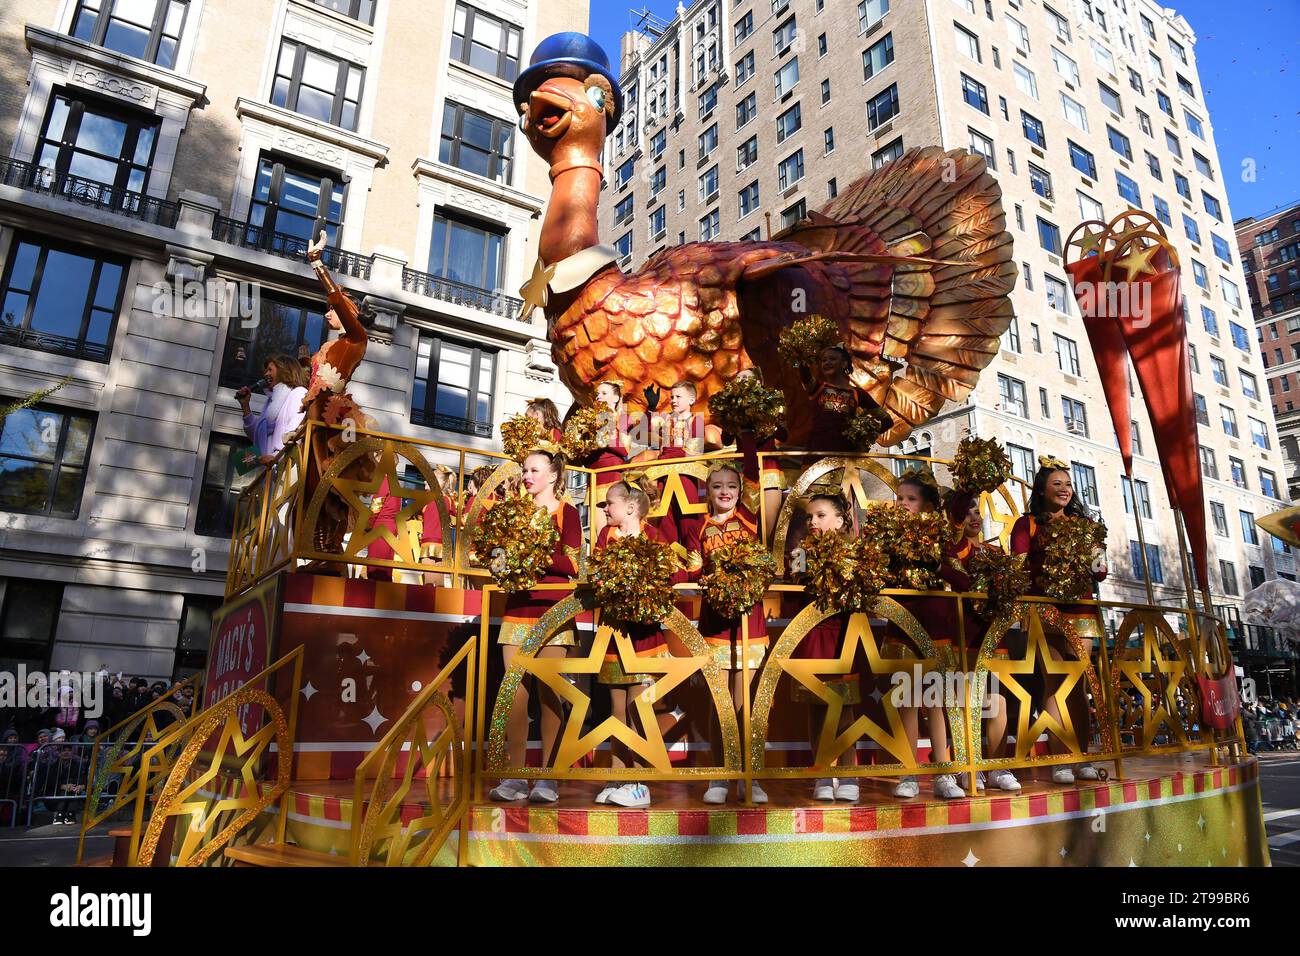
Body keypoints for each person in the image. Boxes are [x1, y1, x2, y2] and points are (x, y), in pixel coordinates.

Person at [489, 449, 582, 804]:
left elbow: (573, 564)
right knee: (513, 692)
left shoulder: (567, 513)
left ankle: (548, 777)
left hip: (553, 612)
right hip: (517, 609)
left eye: (535, 470)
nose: (527, 476)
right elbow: (496, 557)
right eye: (525, 470)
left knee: (548, 693)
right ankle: (512, 776)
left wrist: (533, 553)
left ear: (554, 476)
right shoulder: (514, 512)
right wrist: (501, 560)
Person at [681, 435, 768, 805]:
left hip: (750, 623)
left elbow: (753, 473)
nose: (725, 491)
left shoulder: (749, 518)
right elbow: (693, 570)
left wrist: (746, 429)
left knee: (746, 703)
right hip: (716, 624)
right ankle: (720, 776)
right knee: (721, 706)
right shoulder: (696, 528)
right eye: (717, 486)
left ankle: (751, 776)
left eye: (730, 486)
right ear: (707, 492)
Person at [1010, 457, 1109, 785]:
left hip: (1081, 612)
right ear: (1041, 489)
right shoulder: (1027, 525)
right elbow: (1019, 568)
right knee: (1054, 682)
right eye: (1057, 484)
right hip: (1045, 611)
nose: (1065, 489)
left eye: (1068, 484)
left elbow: (1101, 571)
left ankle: (1082, 757)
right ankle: (1061, 758)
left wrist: (1097, 559)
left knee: (1078, 686)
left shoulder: (1085, 526)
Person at [887, 468, 969, 800]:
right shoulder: (887, 534)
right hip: (902, 625)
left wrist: (934, 564)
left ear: (927, 505)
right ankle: (908, 773)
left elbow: (963, 581)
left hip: (935, 625)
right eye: (899, 498)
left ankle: (943, 772)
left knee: (936, 701)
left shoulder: (941, 535)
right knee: (906, 701)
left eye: (910, 499)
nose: (902, 504)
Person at [298, 230, 378, 566]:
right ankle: (314, 549)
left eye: (335, 310)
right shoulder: (332, 346)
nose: (327, 314)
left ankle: (328, 548)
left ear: (350, 312)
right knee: (309, 485)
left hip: (333, 416)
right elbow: (318, 379)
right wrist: (305, 364)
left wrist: (318, 264)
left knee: (327, 483)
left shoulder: (357, 338)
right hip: (316, 414)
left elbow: (337, 303)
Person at [593, 479, 671, 808]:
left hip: (645, 637)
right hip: (613, 636)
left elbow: (668, 578)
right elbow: (596, 576)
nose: (605, 510)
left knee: (640, 709)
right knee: (617, 710)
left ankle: (640, 781)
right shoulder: (605, 537)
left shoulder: (655, 537)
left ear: (630, 506)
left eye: (609, 503)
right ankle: (618, 775)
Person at [946, 491, 1020, 792]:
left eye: (977, 512)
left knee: (997, 699)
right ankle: (968, 765)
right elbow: (960, 580)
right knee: (967, 699)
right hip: (964, 628)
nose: (974, 518)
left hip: (993, 630)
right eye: (966, 512)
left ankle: (997, 767)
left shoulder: (996, 553)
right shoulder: (952, 548)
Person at [792, 492, 861, 802]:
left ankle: (848, 773)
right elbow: (794, 589)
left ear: (840, 520)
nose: (813, 522)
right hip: (812, 634)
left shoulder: (855, 553)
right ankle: (821, 772)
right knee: (816, 707)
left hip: (843, 633)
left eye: (820, 515)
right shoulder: (799, 552)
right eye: (809, 517)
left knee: (844, 706)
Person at [800, 344, 890, 453]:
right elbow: (805, 375)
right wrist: (803, 358)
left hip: (846, 458)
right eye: (824, 360)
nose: (827, 363)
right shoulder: (817, 388)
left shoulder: (858, 393)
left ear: (844, 363)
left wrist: (865, 437)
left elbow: (887, 421)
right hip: (815, 456)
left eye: (832, 359)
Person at [237, 354, 308, 464]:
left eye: (270, 370)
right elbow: (258, 437)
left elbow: (296, 433)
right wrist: (245, 406)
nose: (266, 374)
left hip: (285, 472)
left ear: (284, 370)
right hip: (268, 475)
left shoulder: (299, 393)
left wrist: (275, 457)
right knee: (230, 465)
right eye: (266, 371)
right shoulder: (270, 402)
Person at [587, 381, 632, 536]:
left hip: (613, 475)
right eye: (598, 394)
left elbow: (625, 448)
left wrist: (602, 438)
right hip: (594, 476)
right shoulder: (589, 419)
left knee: (616, 529)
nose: (599, 396)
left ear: (616, 397)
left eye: (604, 393)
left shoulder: (623, 418)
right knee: (598, 532)